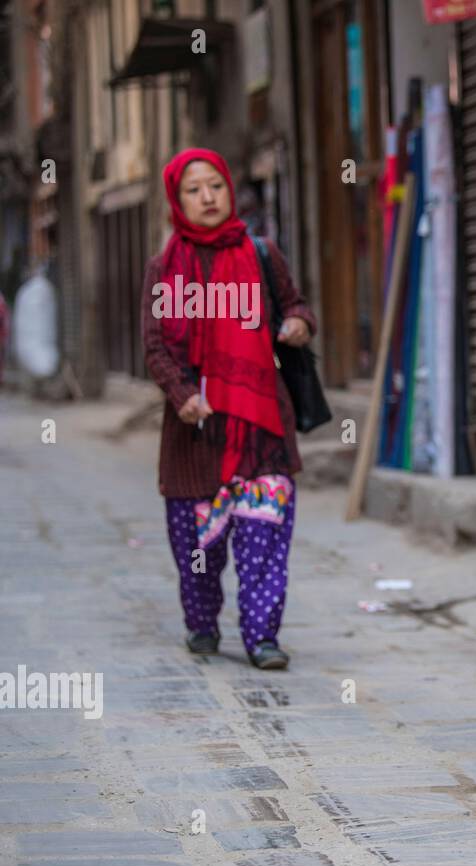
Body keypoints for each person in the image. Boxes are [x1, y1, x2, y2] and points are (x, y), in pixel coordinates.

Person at [141, 147, 317, 670]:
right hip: (196, 435)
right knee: (197, 548)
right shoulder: (164, 268)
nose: (207, 197)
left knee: (264, 538)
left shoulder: (262, 253)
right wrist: (183, 396)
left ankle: (262, 636)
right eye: (193, 190)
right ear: (177, 199)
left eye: (215, 185)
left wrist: (300, 325)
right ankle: (201, 623)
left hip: (261, 426)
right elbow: (155, 346)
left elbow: (296, 306)